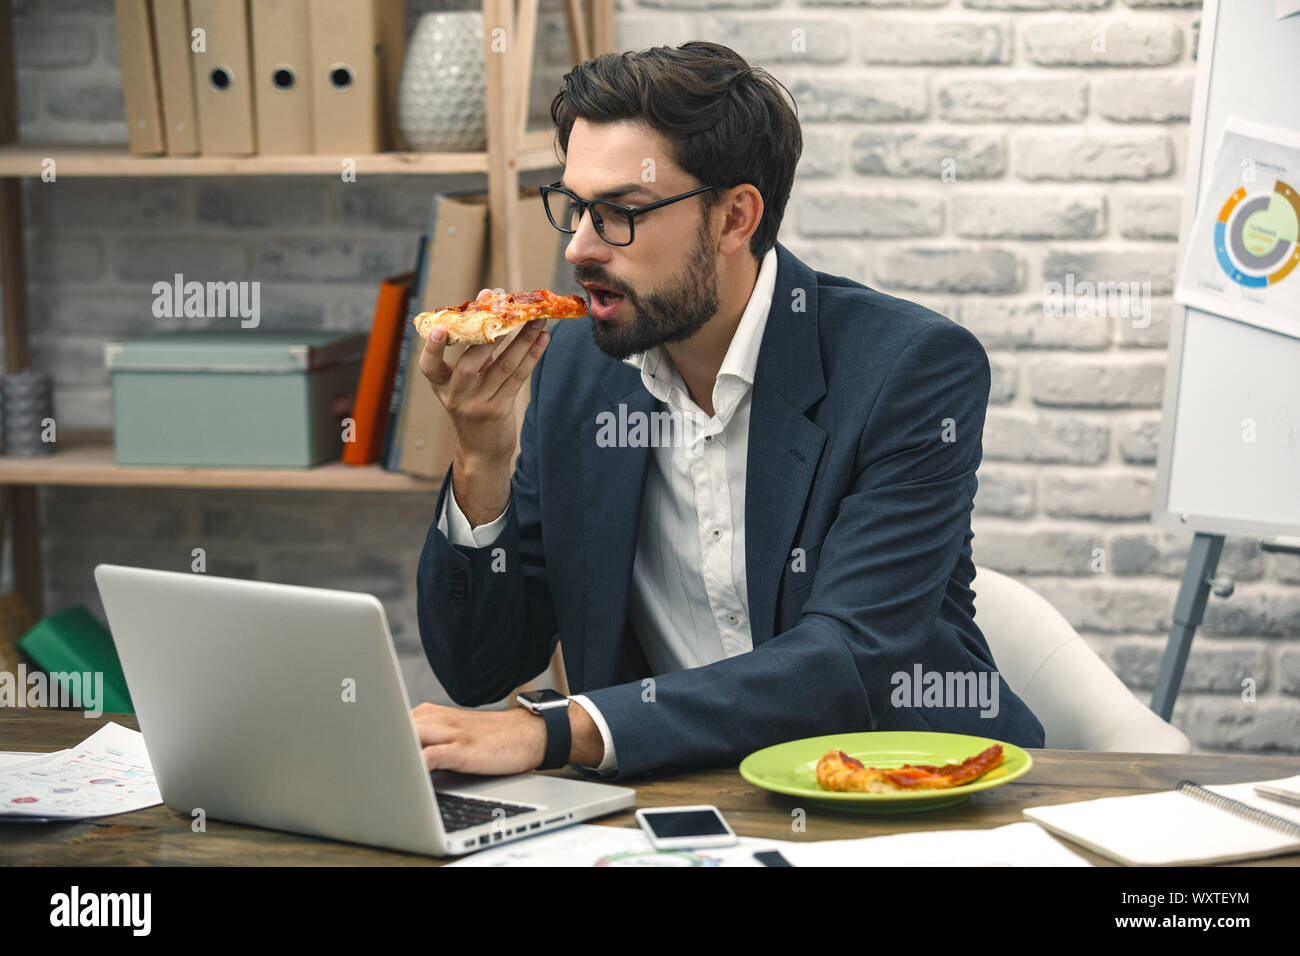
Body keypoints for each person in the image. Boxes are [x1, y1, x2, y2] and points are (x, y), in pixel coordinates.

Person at [412, 40, 1045, 780]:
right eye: (575, 207)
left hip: (909, 793)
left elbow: (844, 661)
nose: (580, 247)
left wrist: (558, 728)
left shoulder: (909, 368)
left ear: (734, 218)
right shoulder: (580, 372)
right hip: (679, 800)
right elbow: (480, 667)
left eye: (620, 212)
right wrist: (482, 457)